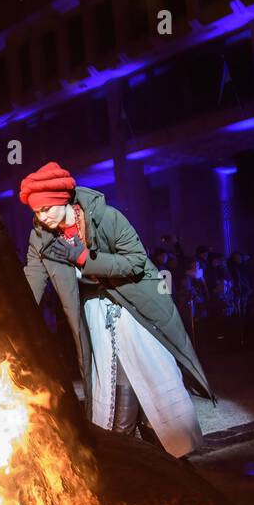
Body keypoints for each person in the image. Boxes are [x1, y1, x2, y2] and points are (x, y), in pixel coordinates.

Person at [20, 162, 213, 458]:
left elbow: (136, 261)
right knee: (113, 385)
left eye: (46, 208)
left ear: (63, 199)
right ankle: (130, 459)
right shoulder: (41, 238)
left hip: (134, 309)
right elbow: (30, 286)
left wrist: (86, 258)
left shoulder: (107, 217)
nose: (42, 217)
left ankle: (164, 458)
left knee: (149, 378)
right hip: (95, 316)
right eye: (36, 211)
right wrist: (10, 316)